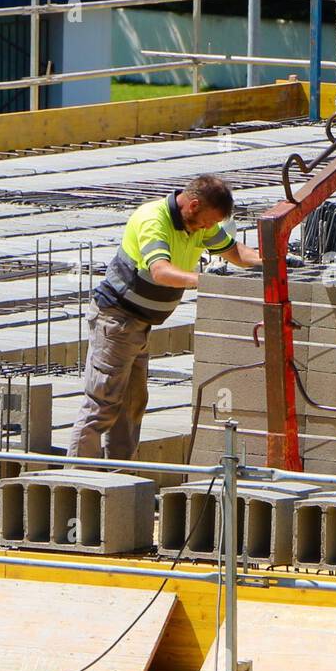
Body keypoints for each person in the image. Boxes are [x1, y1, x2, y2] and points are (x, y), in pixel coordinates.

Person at [70, 175, 261, 460]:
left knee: (131, 407)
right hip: (116, 320)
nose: (209, 228)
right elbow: (160, 271)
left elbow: (234, 251)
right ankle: (77, 485)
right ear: (193, 205)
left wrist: (269, 258)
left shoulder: (198, 223)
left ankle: (120, 484)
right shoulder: (153, 219)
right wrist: (207, 281)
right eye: (208, 221)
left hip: (139, 325)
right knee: (102, 405)